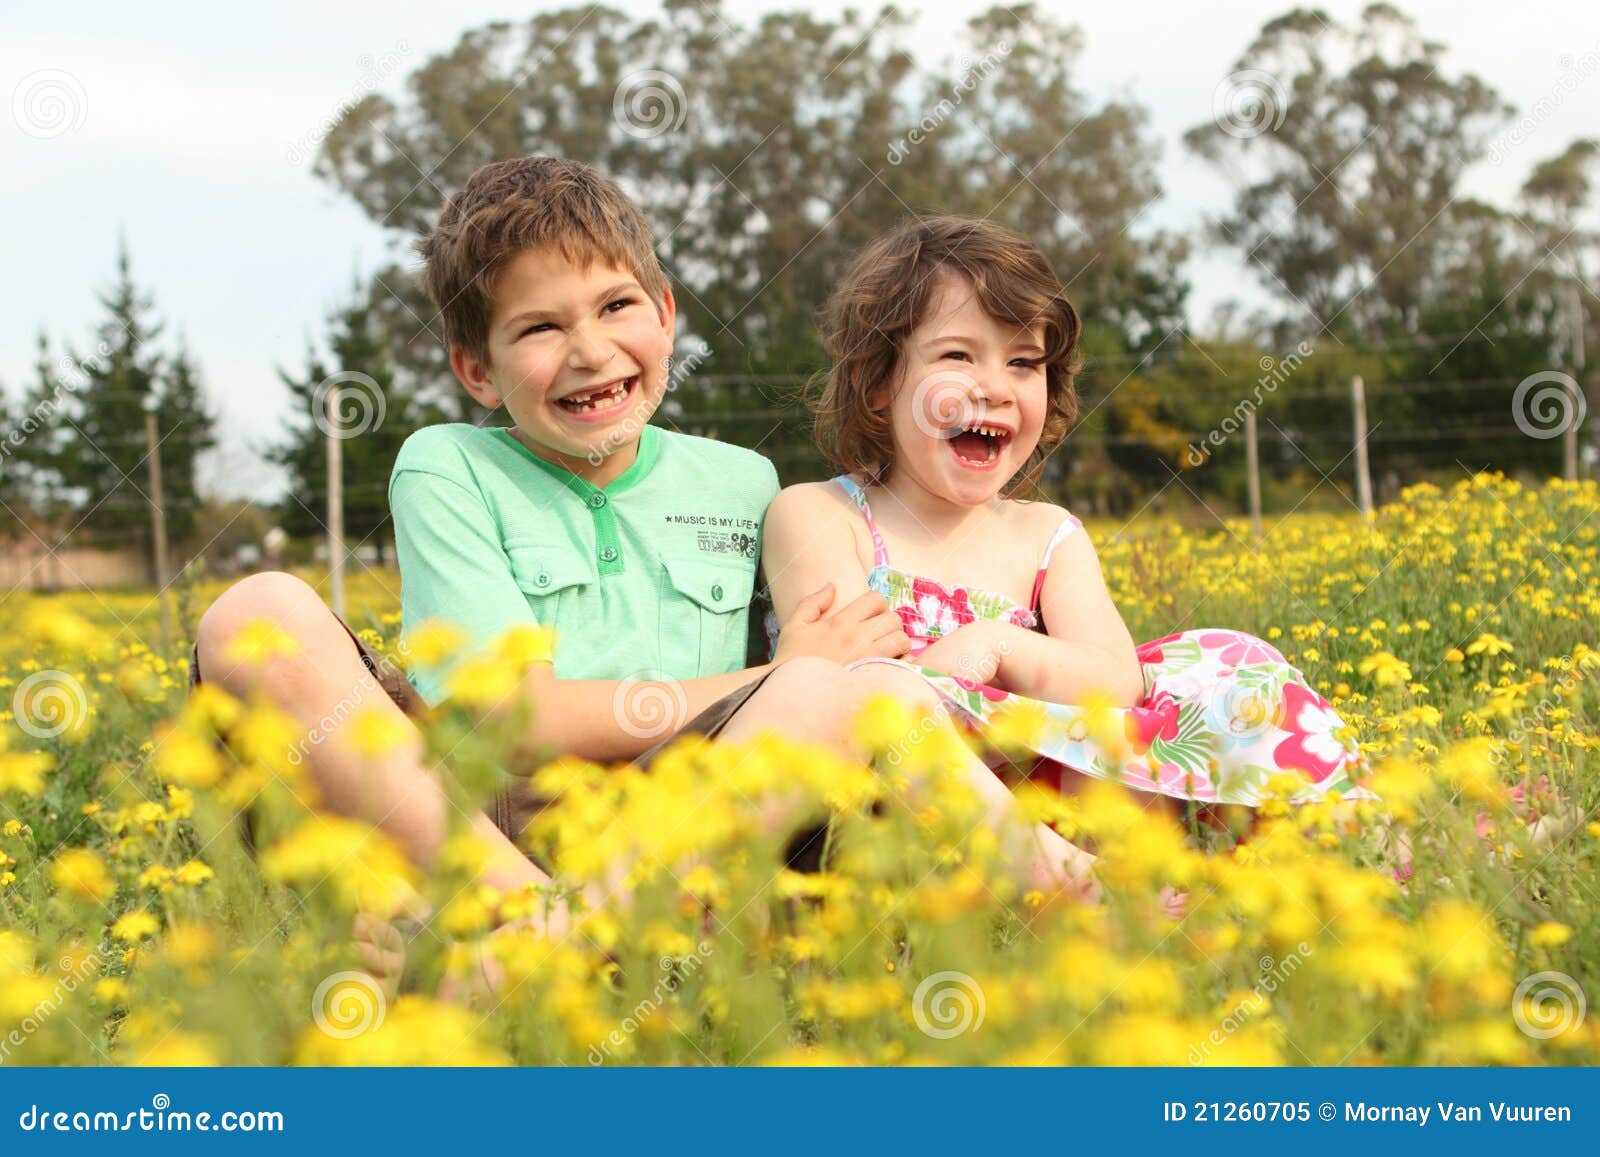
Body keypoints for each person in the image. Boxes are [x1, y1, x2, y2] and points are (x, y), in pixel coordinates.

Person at [191, 161, 1086, 959]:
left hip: (680, 821)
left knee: (842, 696)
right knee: (254, 612)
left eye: (617, 306)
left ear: (663, 315)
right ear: (476, 369)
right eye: (539, 327)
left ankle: (518, 951)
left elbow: (802, 717)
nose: (590, 350)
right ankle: (542, 922)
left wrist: (844, 672)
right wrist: (787, 673)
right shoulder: (449, 463)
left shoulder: (747, 482)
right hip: (474, 813)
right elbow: (513, 722)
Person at [761, 215, 1372, 831]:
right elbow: (843, 686)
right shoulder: (823, 515)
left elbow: (1115, 682)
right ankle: (1083, 888)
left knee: (1229, 660)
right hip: (900, 803)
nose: (996, 387)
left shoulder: (1047, 536)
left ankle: (1325, 836)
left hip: (1049, 798)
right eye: (957, 355)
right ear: (876, 383)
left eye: (1025, 362)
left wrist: (995, 644)